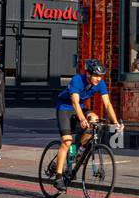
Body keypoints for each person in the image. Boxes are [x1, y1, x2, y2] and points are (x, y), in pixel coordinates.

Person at [52, 58, 121, 188]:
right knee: (67, 142)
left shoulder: (100, 83)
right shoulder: (77, 80)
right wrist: (82, 119)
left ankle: (80, 150)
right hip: (65, 108)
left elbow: (107, 104)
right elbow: (75, 102)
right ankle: (58, 177)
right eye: (95, 75)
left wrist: (115, 122)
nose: (98, 79)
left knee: (95, 121)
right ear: (88, 74)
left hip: (81, 108)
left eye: (100, 76)